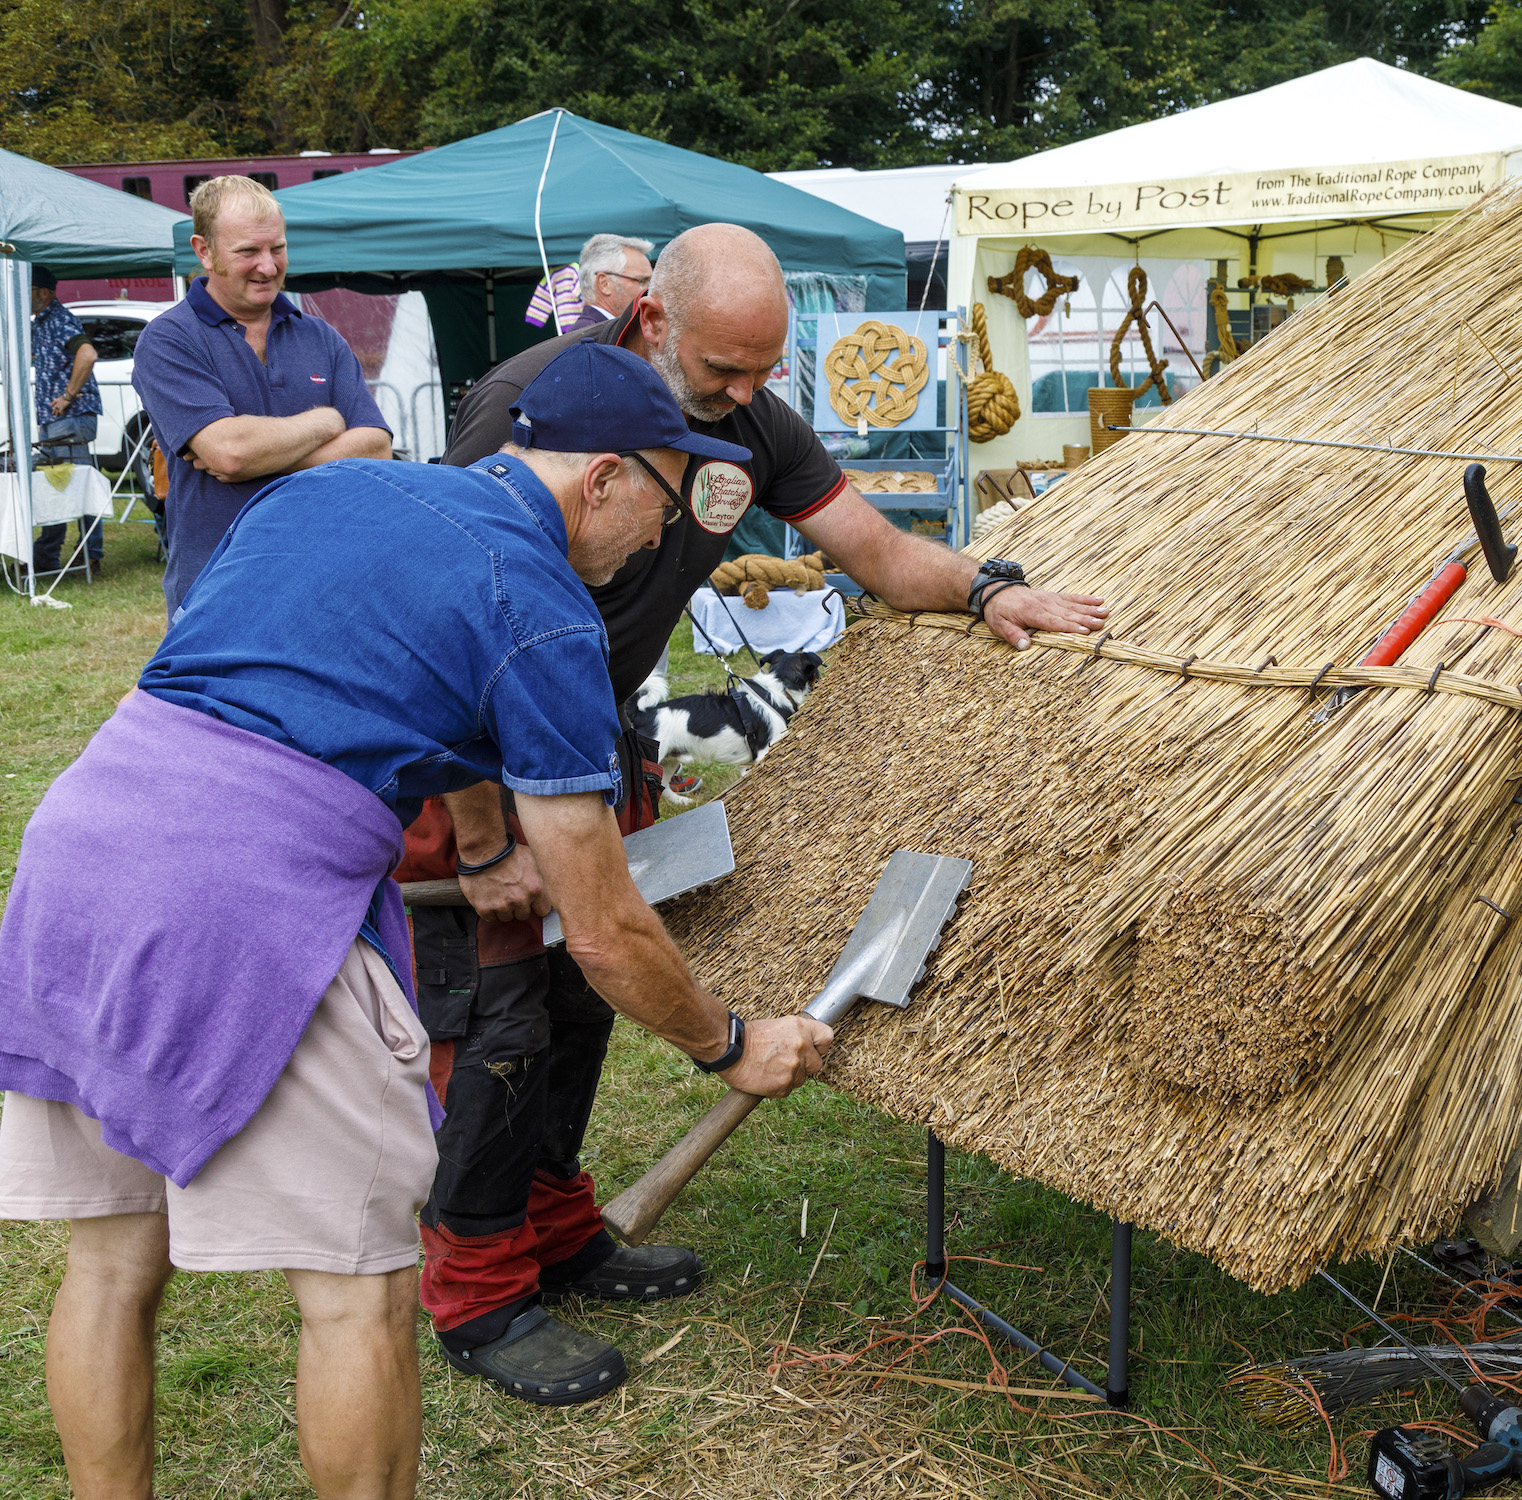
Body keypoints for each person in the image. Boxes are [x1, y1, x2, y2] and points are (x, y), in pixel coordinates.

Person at [0, 341, 832, 1495]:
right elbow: (601, 928)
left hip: (83, 844)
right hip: (242, 898)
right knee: (359, 1293)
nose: (661, 538)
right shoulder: (543, 613)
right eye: (662, 500)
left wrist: (487, 840)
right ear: (599, 480)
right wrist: (729, 1042)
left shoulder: (341, 486)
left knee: (108, 1259)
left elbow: (371, 667)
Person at [407, 221, 1106, 1402]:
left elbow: (876, 551)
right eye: (721, 371)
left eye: (759, 373)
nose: (741, 398)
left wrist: (990, 588)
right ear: (649, 322)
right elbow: (441, 628)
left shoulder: (752, 423)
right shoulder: (530, 404)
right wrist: (480, 842)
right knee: (499, 1022)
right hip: (467, 752)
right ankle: (477, 1294)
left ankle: (561, 1232)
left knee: (579, 996)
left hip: (582, 732)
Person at [132, 175, 391, 614]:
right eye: (248, 251)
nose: (269, 267)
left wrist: (260, 455)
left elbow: (378, 448)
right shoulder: (169, 340)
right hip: (219, 594)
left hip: (324, 585)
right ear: (204, 251)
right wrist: (329, 422)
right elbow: (230, 452)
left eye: (278, 248)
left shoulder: (320, 336)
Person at [26, 264, 107, 578]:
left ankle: (85, 554)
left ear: (43, 293)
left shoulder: (59, 319)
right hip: (59, 420)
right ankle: (51, 554)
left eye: (28, 293)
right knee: (59, 486)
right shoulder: (42, 322)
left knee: (70, 487)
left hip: (70, 418)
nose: (24, 300)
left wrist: (68, 395)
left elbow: (87, 354)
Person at [576, 233, 655, 324]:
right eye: (642, 281)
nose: (650, 290)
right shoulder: (592, 335)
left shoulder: (606, 331)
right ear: (604, 284)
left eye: (651, 282)